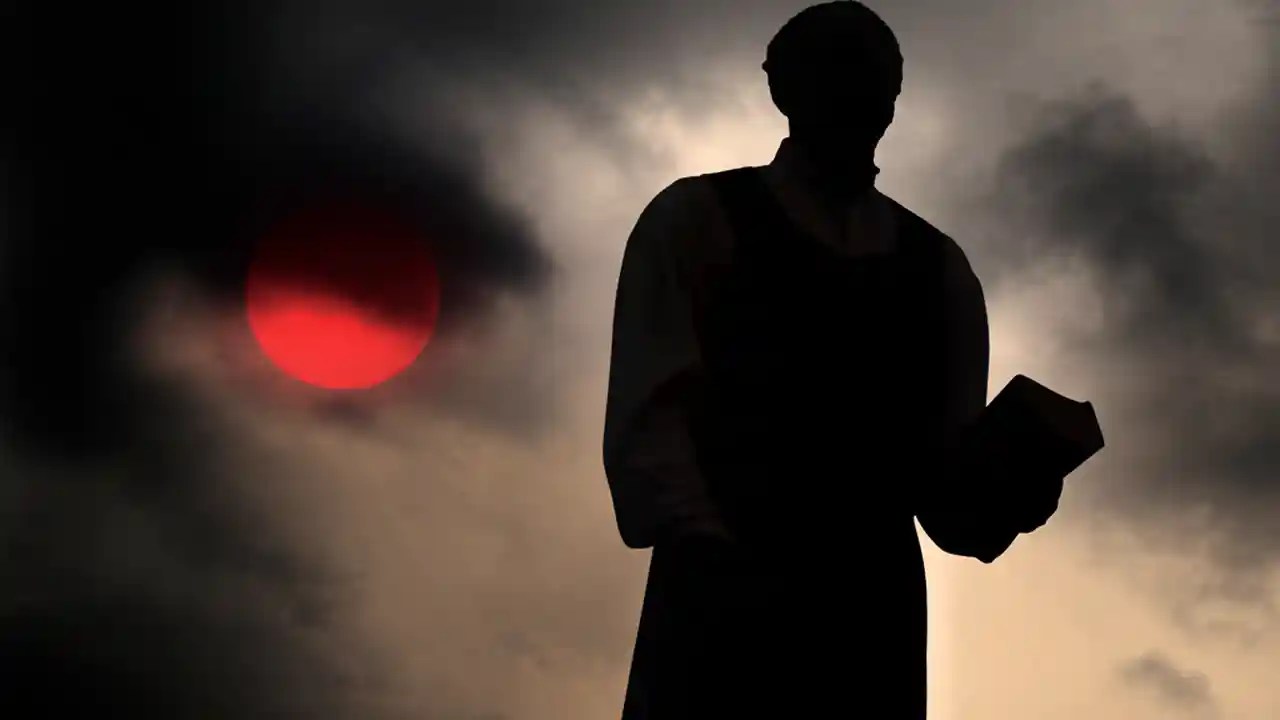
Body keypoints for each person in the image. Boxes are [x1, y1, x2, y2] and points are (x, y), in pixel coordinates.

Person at [602, 2, 1064, 717]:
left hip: (870, 630)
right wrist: (712, 560)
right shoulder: (694, 221)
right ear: (782, 86)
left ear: (894, 96)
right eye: (834, 67)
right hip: (720, 615)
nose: (857, 90)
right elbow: (648, 424)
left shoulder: (941, 271)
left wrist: (1015, 484)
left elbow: (947, 494)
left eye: (875, 74)